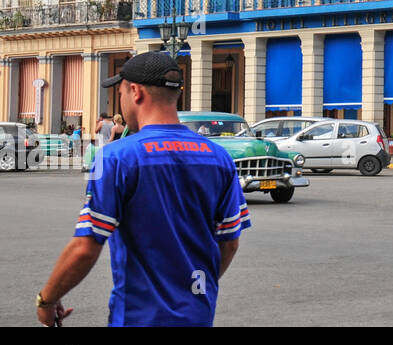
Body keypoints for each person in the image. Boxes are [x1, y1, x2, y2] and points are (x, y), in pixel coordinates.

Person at [35, 52, 249, 327]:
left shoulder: (117, 157)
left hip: (138, 318)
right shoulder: (219, 159)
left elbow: (86, 247)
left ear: (134, 92)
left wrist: (47, 300)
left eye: (120, 92)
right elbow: (229, 241)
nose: (120, 101)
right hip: (197, 315)